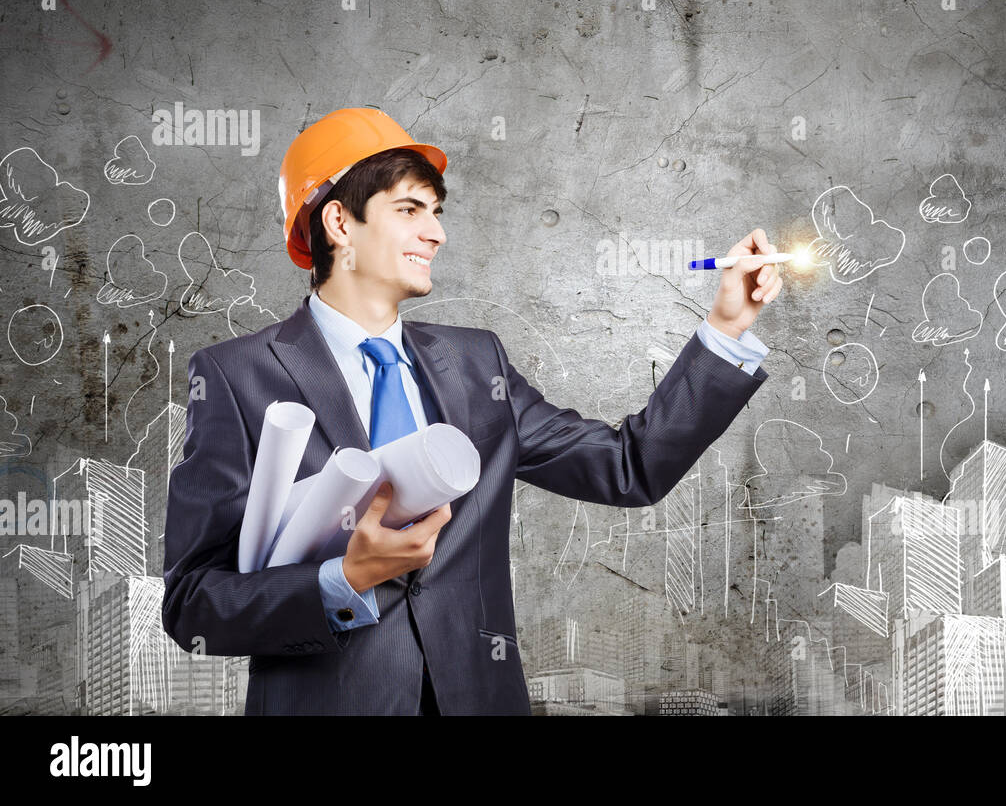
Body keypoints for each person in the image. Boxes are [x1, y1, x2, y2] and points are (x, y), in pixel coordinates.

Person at [161, 107, 781, 715]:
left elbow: (629, 466)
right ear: (340, 224)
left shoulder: (476, 364)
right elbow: (191, 604)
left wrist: (725, 328)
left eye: (436, 212)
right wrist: (340, 582)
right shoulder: (235, 376)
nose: (436, 232)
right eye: (409, 210)